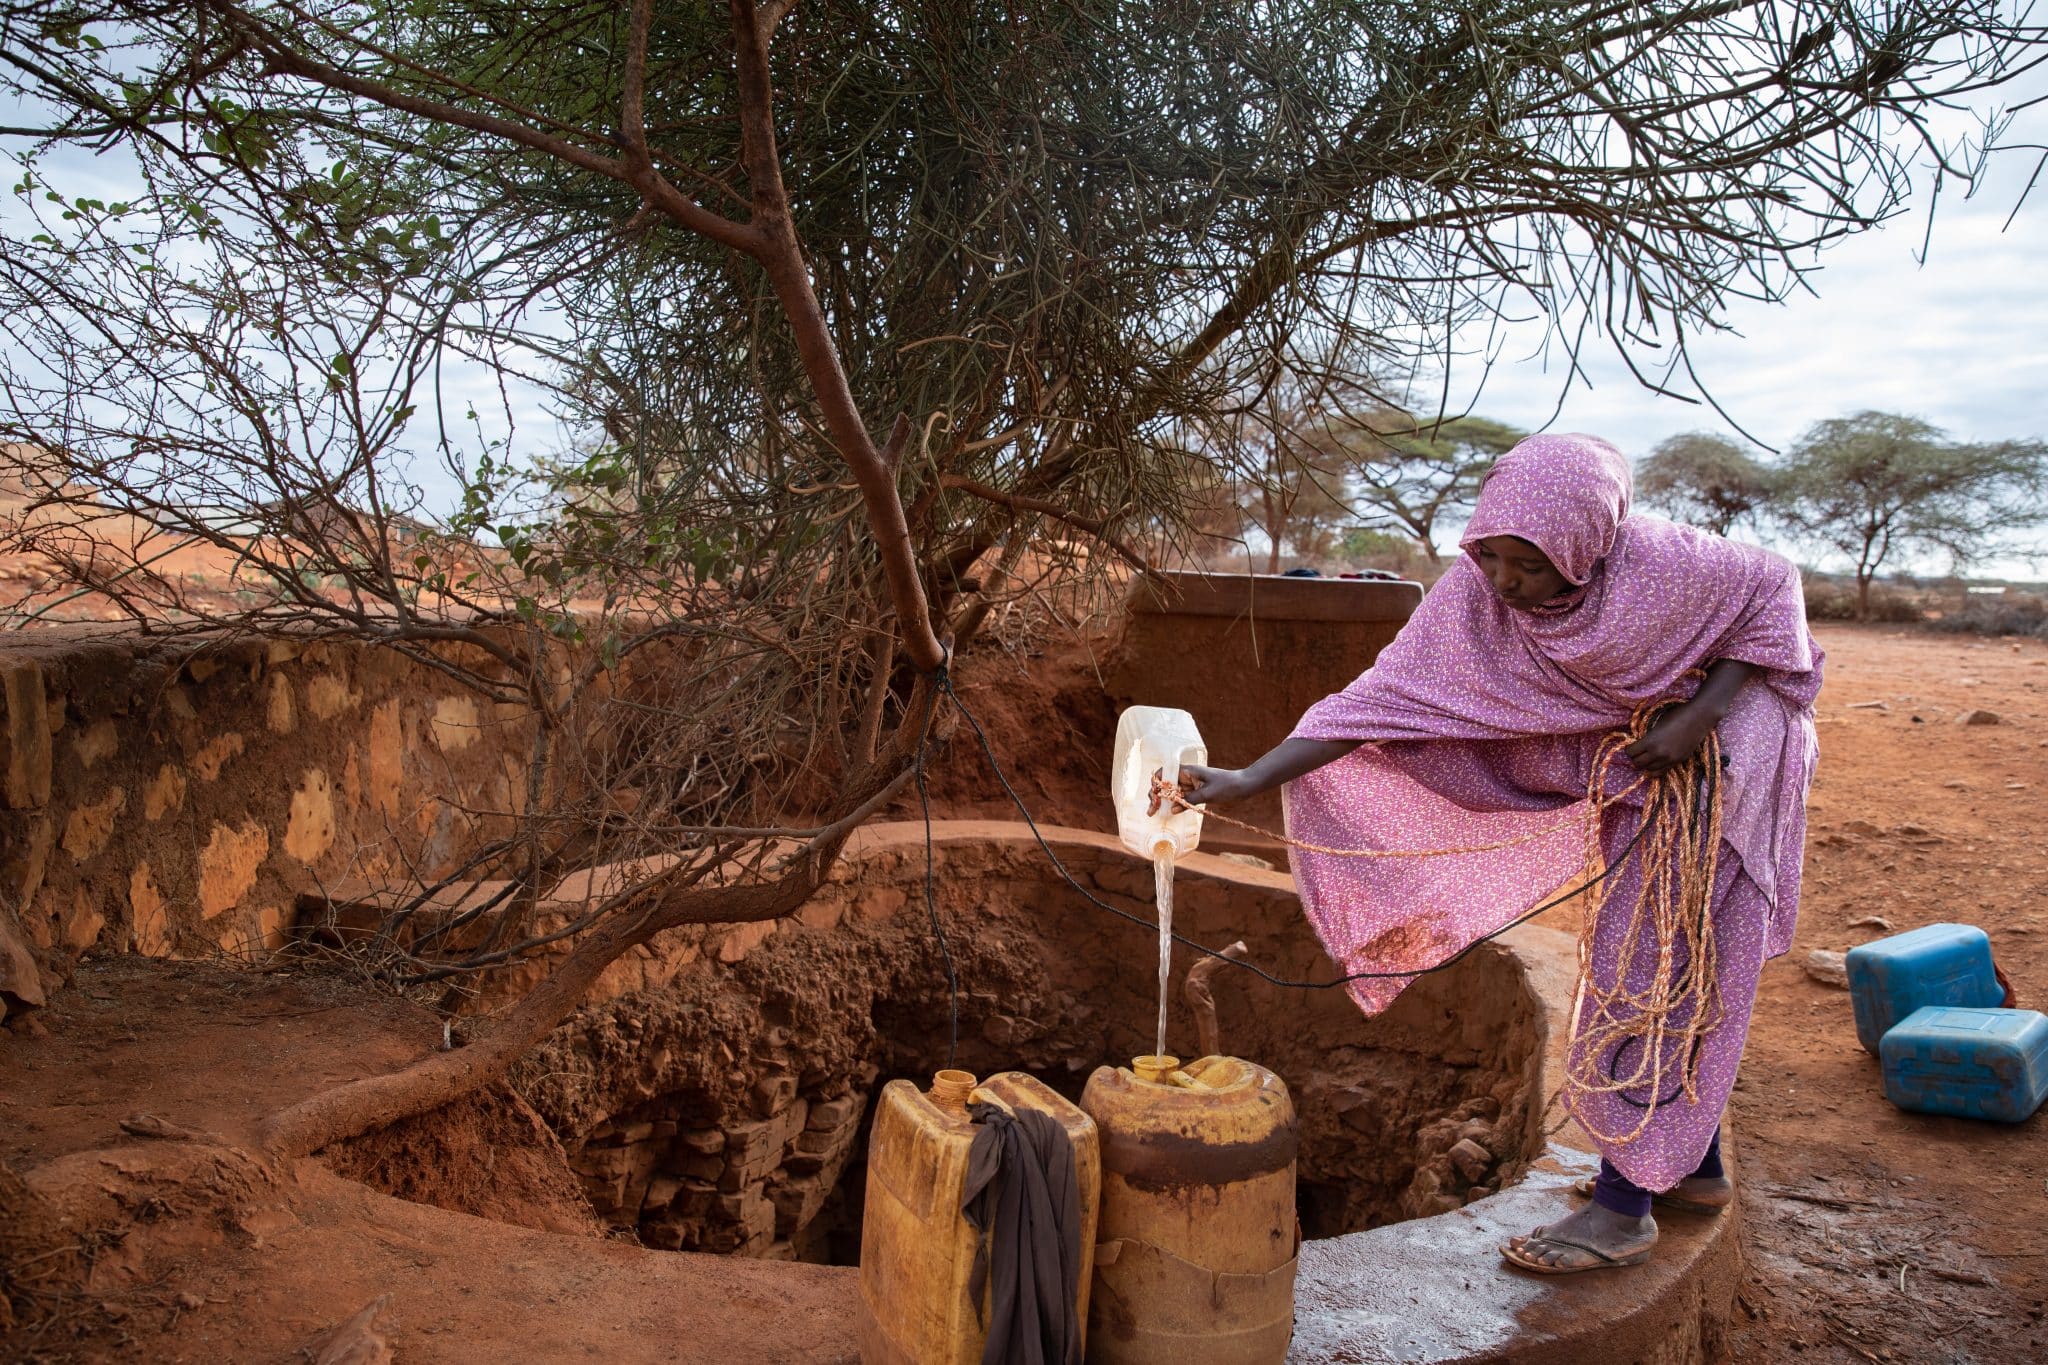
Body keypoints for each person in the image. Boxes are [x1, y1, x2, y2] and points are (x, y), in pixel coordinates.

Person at [1168, 434, 1820, 1273]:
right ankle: (1688, 1172)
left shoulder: (1662, 565)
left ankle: (1625, 1211)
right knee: (1653, 962)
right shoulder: (1475, 593)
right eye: (1492, 556)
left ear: (1589, 547)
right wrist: (1249, 775)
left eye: (1531, 566)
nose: (1506, 581)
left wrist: (1700, 713)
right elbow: (1379, 700)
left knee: (1658, 967)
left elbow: (1775, 585)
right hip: (1646, 761)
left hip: (1730, 759)